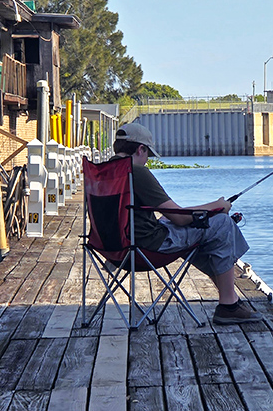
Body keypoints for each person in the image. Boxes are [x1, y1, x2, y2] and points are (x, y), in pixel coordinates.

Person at [111, 123, 262, 325]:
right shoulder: (135, 172)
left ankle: (232, 299)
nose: (147, 161)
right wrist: (217, 206)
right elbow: (180, 218)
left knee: (189, 226)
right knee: (222, 223)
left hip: (112, 249)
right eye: (148, 155)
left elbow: (163, 214)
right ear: (141, 149)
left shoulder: (101, 172)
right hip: (147, 249)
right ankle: (228, 305)